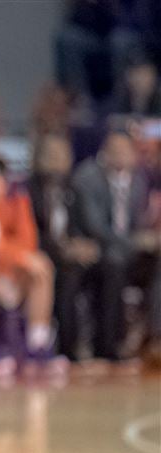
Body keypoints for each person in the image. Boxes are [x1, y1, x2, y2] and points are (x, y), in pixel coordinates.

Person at [0, 156, 66, 375]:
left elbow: (27, 243)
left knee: (42, 267)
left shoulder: (17, 202)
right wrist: (15, 255)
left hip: (11, 274)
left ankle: (37, 344)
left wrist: (13, 256)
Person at [73, 129, 160, 362]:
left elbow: (138, 221)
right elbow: (95, 226)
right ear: (105, 153)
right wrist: (136, 241)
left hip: (129, 250)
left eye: (126, 150)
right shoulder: (87, 177)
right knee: (114, 263)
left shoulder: (139, 180)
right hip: (98, 249)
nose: (121, 156)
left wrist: (147, 240)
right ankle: (109, 346)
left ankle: (154, 337)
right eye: (116, 151)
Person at [27, 134, 100, 362]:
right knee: (62, 275)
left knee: (90, 272)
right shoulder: (29, 189)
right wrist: (63, 249)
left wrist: (84, 245)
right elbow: (32, 231)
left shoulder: (73, 187)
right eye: (52, 155)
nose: (58, 161)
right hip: (42, 252)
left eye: (62, 155)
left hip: (70, 255)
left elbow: (80, 224)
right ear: (40, 158)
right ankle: (58, 348)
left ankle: (87, 348)